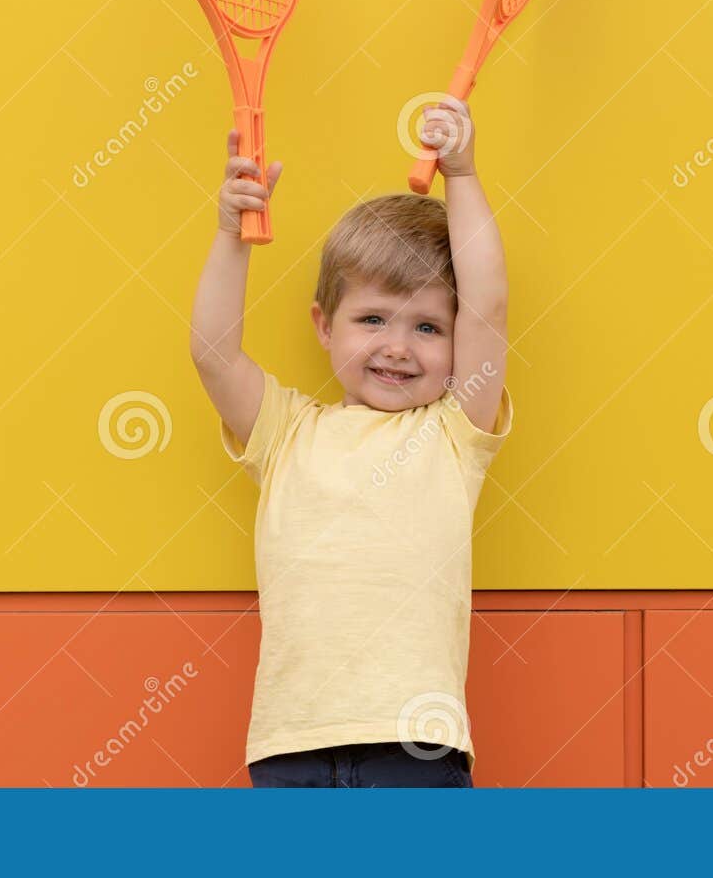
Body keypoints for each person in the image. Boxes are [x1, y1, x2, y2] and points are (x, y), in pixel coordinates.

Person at [189, 97, 512, 787]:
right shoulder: (286, 432)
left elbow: (488, 303)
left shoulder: (454, 433)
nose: (398, 346)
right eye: (372, 318)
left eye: (428, 327)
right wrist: (229, 233)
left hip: (416, 742)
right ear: (325, 326)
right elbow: (214, 352)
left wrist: (462, 174)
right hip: (290, 743)